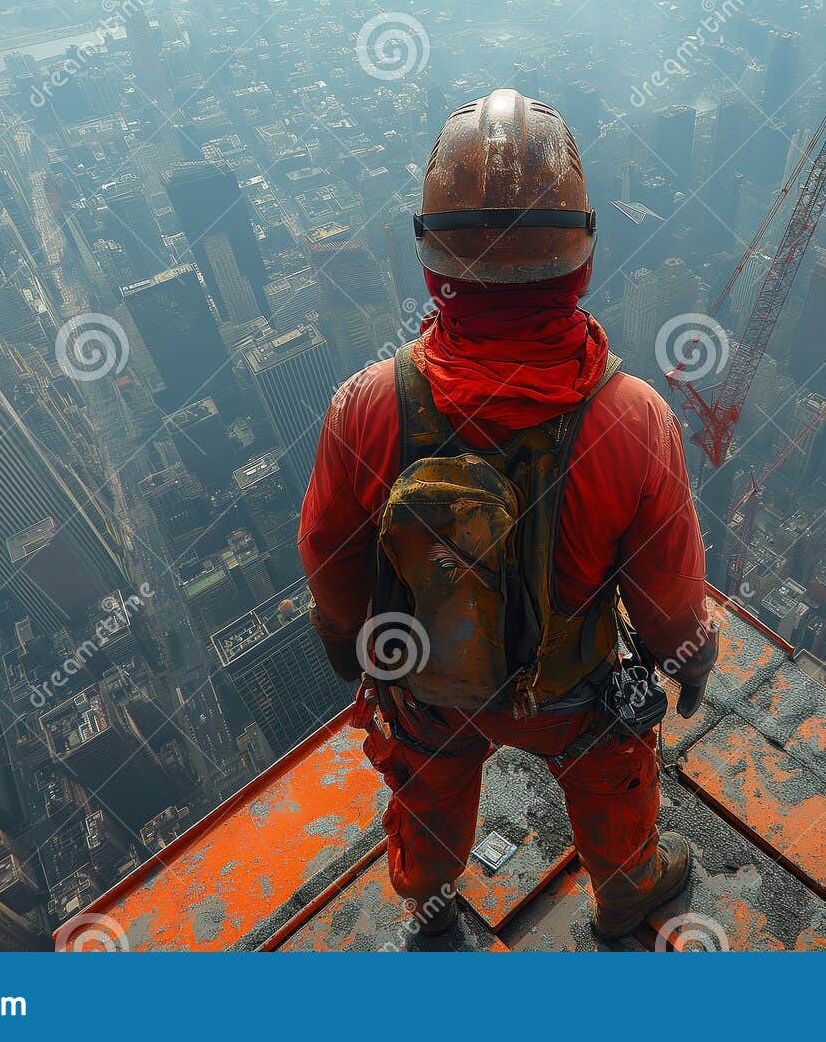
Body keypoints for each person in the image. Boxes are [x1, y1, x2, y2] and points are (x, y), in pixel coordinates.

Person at [299, 88, 715, 941]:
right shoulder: (633, 420)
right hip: (568, 695)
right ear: (582, 261)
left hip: (429, 688)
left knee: (427, 781)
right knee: (614, 767)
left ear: (432, 262)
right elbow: (669, 599)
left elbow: (330, 564)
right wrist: (690, 661)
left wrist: (346, 644)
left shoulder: (366, 405)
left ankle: (427, 891)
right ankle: (630, 887)